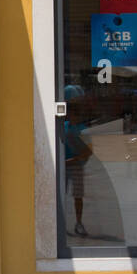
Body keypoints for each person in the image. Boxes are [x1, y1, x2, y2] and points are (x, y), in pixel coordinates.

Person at [63, 98, 93, 237]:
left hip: (76, 166)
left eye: (71, 112)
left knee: (78, 196)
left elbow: (89, 151)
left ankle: (79, 223)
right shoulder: (64, 126)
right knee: (61, 195)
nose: (69, 115)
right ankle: (61, 223)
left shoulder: (83, 130)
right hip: (63, 166)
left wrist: (73, 160)